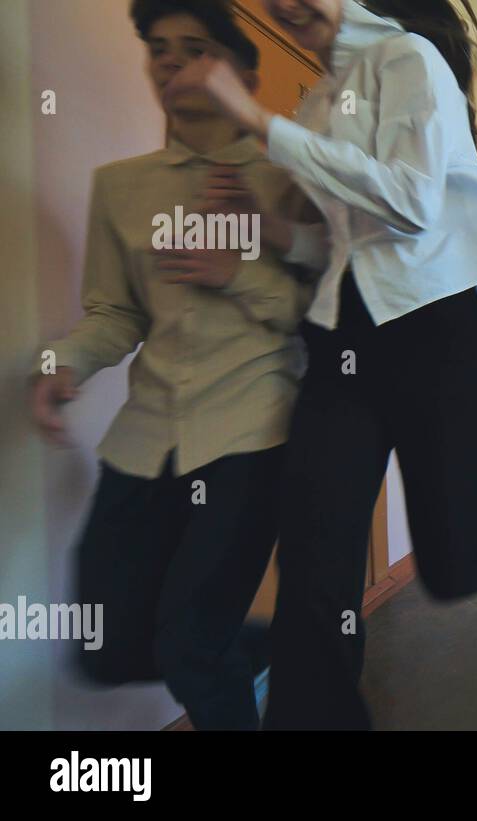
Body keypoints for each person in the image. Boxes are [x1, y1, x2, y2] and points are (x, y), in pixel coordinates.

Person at [165, 0, 477, 729]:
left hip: (439, 340)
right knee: (316, 567)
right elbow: (340, 249)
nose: (284, 5)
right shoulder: (320, 99)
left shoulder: (408, 58)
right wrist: (268, 230)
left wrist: (260, 124)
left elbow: (413, 204)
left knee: (448, 568)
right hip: (342, 344)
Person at [29, 0, 316, 730]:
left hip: (251, 437)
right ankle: (272, 650)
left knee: (190, 643)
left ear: (241, 73)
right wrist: (63, 365)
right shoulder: (121, 187)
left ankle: (230, 660)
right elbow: (115, 312)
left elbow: (328, 317)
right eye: (158, 49)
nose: (170, 63)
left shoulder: (292, 177)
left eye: (194, 49)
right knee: (103, 647)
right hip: (144, 437)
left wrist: (240, 273)